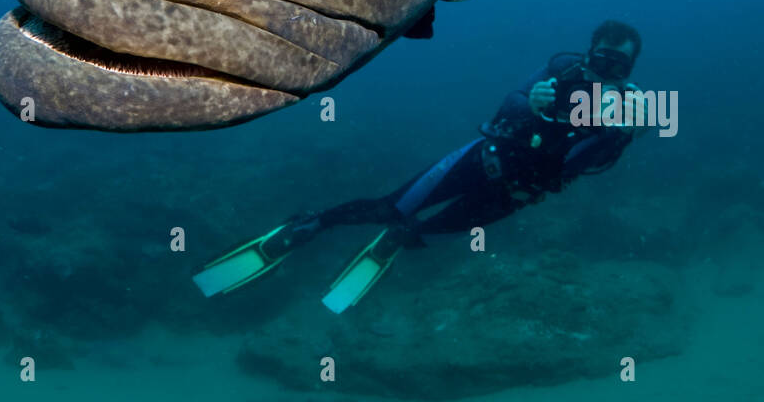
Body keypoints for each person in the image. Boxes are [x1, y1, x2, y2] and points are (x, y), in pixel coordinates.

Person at [193, 20, 648, 314]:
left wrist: (619, 134)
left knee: (426, 234)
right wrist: (531, 102)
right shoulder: (558, 75)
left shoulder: (625, 108)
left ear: (629, 69)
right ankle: (312, 226)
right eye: (602, 58)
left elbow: (579, 167)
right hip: (480, 161)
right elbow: (508, 104)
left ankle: (396, 240)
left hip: (512, 197)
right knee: (391, 207)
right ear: (589, 52)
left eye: (618, 63)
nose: (606, 69)